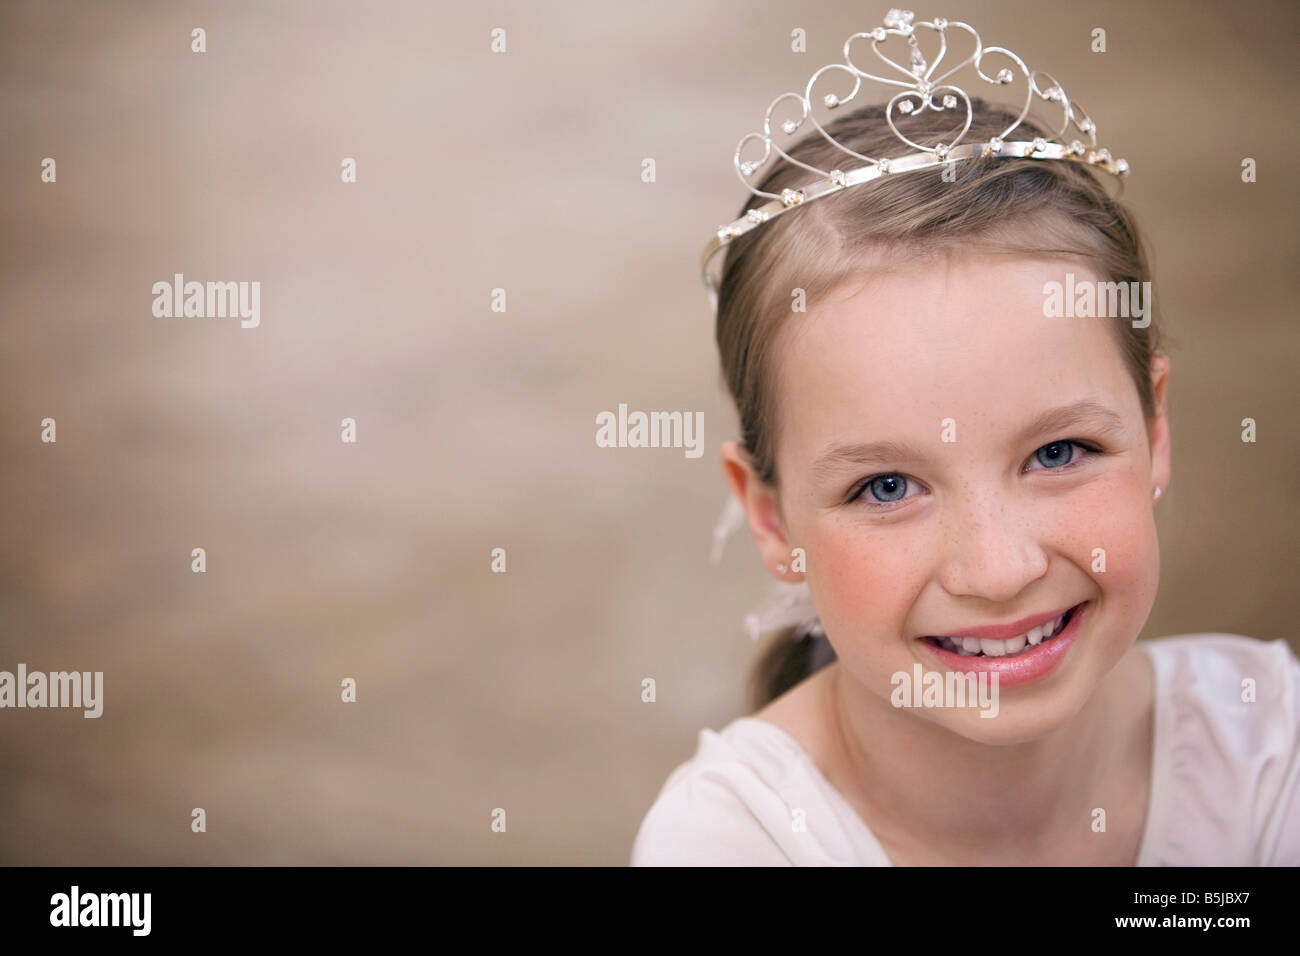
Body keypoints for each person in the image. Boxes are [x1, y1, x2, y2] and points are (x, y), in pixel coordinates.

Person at [631, 14, 1300, 866]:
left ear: (1155, 425)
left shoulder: (1268, 751)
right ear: (771, 519)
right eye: (885, 487)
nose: (998, 570)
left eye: (1058, 453)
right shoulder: (734, 843)